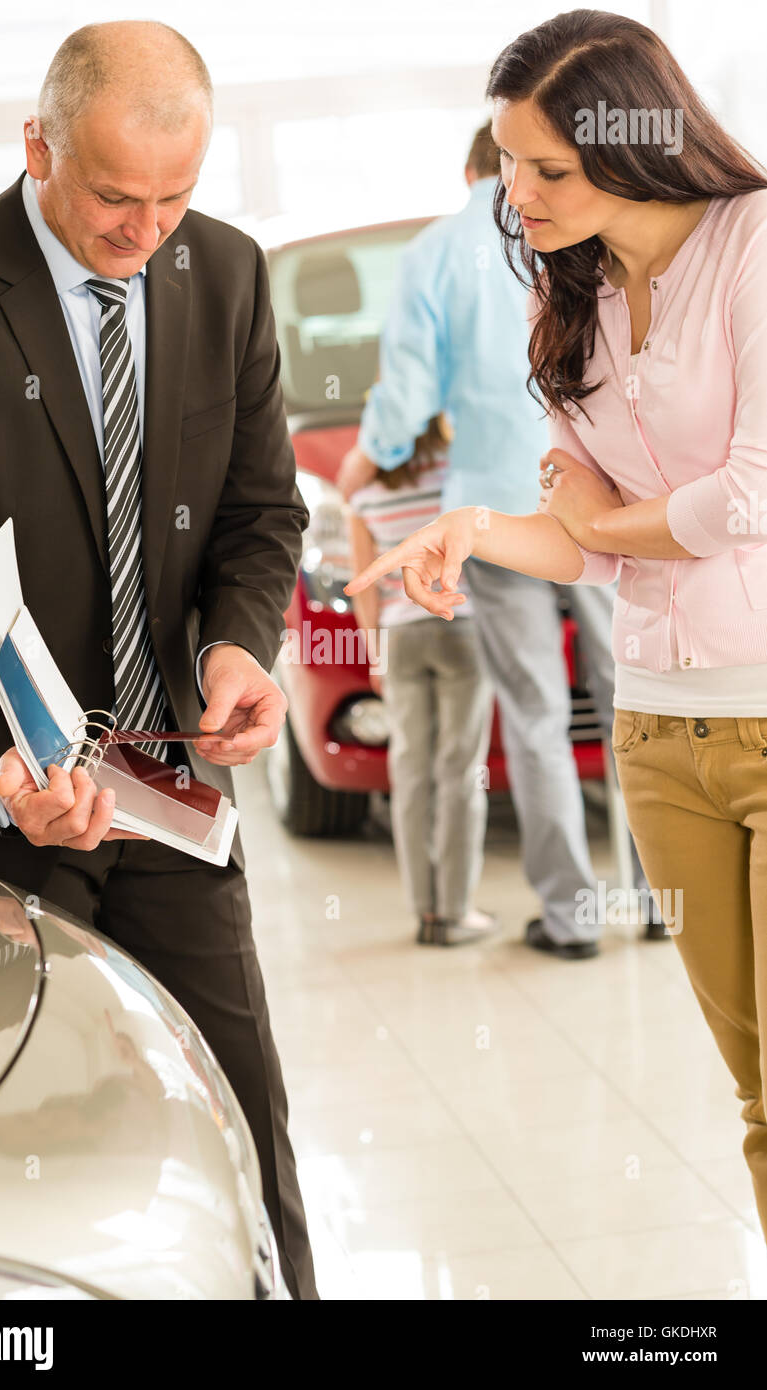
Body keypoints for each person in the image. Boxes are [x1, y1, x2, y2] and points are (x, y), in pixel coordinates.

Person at [0, 20, 318, 1298]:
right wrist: (5, 765)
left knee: (247, 1130)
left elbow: (259, 514)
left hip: (171, 791)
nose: (148, 235)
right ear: (38, 145)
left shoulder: (230, 275)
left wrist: (242, 645)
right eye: (114, 199)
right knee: (43, 1170)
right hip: (0, 809)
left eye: (176, 198)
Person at [346, 9, 767, 1239]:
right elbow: (581, 529)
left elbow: (748, 495)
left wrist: (620, 515)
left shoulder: (754, 250)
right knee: (753, 1094)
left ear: (637, 147)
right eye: (508, 159)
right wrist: (470, 529)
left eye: (547, 169)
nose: (511, 193)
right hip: (660, 738)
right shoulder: (568, 290)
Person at [339, 120, 662, 961]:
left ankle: (573, 920)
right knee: (628, 700)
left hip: (495, 516)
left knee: (536, 716)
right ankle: (659, 901)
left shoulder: (435, 251)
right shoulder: (582, 234)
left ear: (468, 170)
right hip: (595, 499)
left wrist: (363, 466)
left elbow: (406, 395)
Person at [348, 414, 497, 947]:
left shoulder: (364, 498)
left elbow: (363, 589)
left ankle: (426, 913)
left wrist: (375, 656)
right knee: (460, 769)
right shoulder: (456, 482)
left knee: (409, 769)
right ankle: (457, 911)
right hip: (462, 626)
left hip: (401, 638)